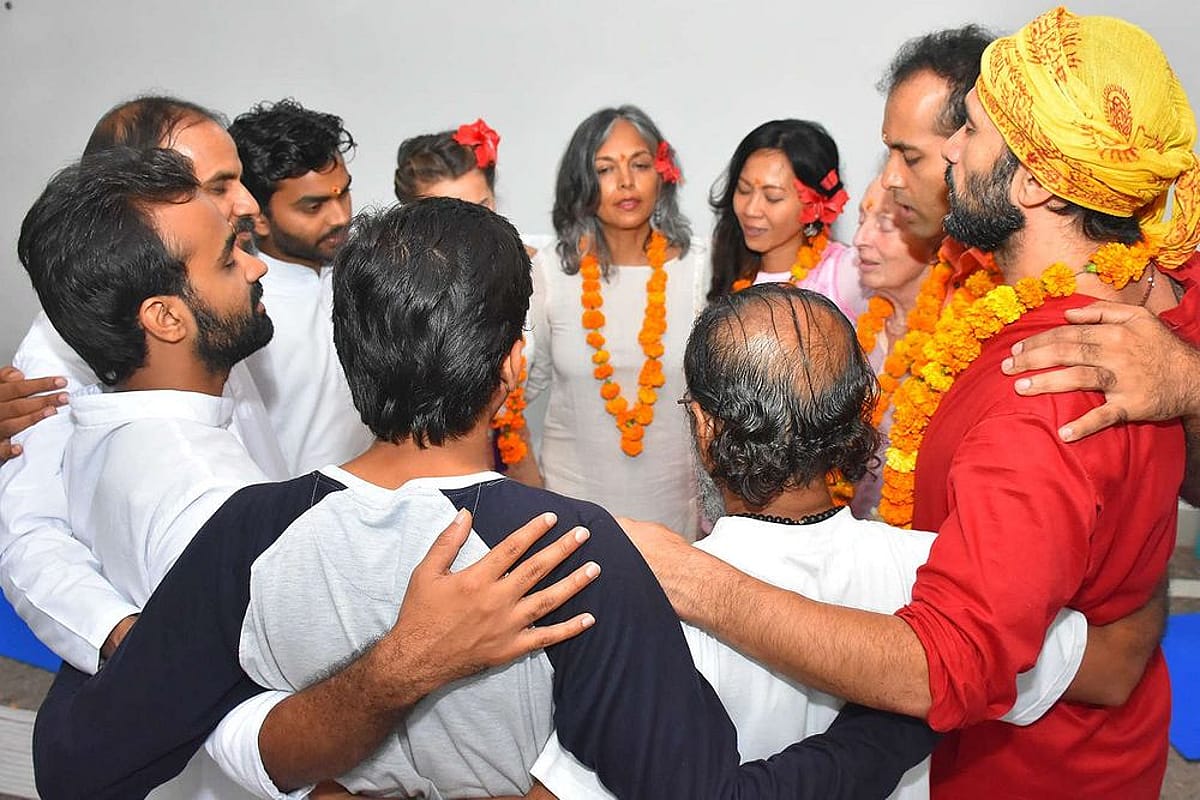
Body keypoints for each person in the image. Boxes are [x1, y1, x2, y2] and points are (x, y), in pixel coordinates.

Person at [35, 196, 938, 800]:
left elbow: (80, 763)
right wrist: (904, 718)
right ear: (513, 368)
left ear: (351, 355)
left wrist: (206, 689)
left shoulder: (249, 532)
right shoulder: (566, 550)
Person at [622, 9, 1197, 797]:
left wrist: (694, 581)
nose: (951, 152)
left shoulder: (1045, 383)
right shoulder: (1134, 303)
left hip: (1020, 776)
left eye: (972, 132)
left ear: (1033, 180)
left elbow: (946, 666)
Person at [22, 154, 599, 800]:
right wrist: (409, 664)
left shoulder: (115, 426)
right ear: (165, 317)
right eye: (229, 259)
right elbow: (250, 724)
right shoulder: (204, 494)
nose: (258, 266)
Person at [531, 284, 1088, 800]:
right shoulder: (938, 574)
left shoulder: (660, 602)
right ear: (850, 421)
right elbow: (1107, 670)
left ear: (705, 426)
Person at [0, 96, 286, 683]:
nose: (248, 204)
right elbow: (30, 536)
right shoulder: (54, 357)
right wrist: (132, 642)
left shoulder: (224, 287)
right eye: (219, 185)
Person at [528, 104, 708, 539]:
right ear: (581, 182)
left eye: (640, 165)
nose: (626, 182)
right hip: (570, 514)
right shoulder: (550, 271)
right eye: (605, 169)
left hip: (676, 517)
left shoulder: (699, 268)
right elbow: (515, 394)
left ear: (662, 174)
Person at [393, 118, 544, 486]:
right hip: (426, 468)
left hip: (511, 456)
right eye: (452, 213)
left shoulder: (535, 268)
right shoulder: (397, 295)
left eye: (482, 206)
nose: (477, 227)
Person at [228, 98, 373, 475]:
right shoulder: (241, 305)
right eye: (314, 206)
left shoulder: (367, 274)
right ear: (258, 217)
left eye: (343, 193)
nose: (340, 216)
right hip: (288, 504)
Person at [708, 119, 864, 322]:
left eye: (772, 197)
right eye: (744, 190)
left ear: (814, 203)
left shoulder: (847, 272)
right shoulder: (726, 264)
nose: (751, 210)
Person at [850, 177, 938, 517]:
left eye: (884, 225)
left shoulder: (961, 343)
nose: (860, 239)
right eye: (861, 220)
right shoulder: (857, 334)